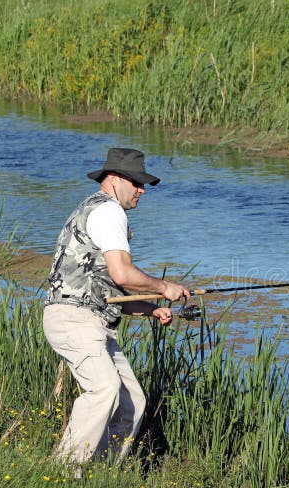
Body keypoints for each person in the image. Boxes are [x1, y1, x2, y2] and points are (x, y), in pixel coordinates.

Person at [43, 147, 190, 467]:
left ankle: (99, 475)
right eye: (136, 183)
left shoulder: (93, 210)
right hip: (74, 320)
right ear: (113, 179)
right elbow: (123, 273)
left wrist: (151, 308)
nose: (142, 190)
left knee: (132, 404)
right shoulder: (110, 212)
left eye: (144, 184)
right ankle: (62, 474)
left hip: (88, 320)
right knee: (104, 389)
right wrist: (165, 287)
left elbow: (109, 289)